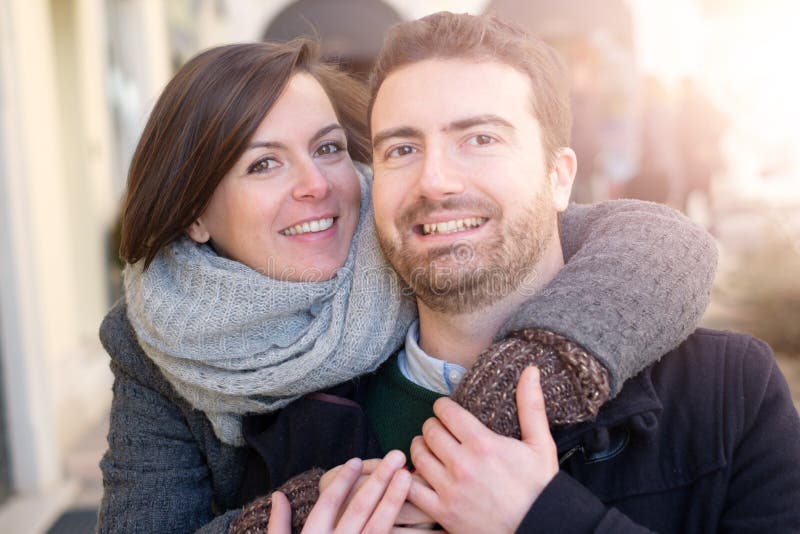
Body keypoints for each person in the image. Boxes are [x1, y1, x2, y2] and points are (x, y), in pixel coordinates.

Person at [97, 38, 718, 533]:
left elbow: (652, 243)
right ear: (194, 215)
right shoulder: (156, 335)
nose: (316, 184)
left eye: (329, 148)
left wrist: (523, 382)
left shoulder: (410, 238)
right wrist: (292, 518)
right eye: (264, 163)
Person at [239, 12, 800, 533]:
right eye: (402, 148)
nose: (435, 181)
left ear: (559, 177)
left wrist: (546, 519)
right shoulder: (291, 419)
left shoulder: (729, 392)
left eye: (480, 139)